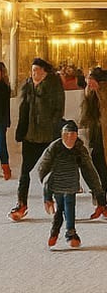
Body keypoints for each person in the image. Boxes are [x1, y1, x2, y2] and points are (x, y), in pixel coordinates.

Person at [39, 120, 107, 249]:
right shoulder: (54, 148)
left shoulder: (79, 149)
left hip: (71, 184)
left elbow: (89, 172)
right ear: (62, 135)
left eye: (73, 135)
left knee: (68, 206)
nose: (69, 138)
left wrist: (99, 195)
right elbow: (44, 169)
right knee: (61, 207)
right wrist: (47, 195)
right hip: (56, 184)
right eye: (67, 135)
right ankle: (63, 232)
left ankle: (67, 232)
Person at [8, 58, 65, 222]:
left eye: (37, 70)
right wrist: (21, 131)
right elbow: (23, 111)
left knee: (51, 171)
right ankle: (21, 204)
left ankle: (55, 200)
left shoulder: (53, 87)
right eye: (32, 70)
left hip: (48, 136)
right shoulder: (28, 87)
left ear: (45, 72)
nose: (34, 73)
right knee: (25, 171)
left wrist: (53, 130)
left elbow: (58, 111)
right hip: (31, 136)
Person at [78, 68, 107, 220]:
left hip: (104, 139)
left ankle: (102, 204)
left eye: (92, 81)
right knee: (94, 172)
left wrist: (99, 94)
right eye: (88, 81)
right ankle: (101, 204)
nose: (89, 84)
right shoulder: (89, 94)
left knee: (103, 172)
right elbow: (84, 117)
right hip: (91, 137)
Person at [1, 62, 11, 181]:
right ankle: (5, 168)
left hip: (1, 121)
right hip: (2, 121)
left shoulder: (3, 87)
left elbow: (4, 107)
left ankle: (6, 168)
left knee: (1, 144)